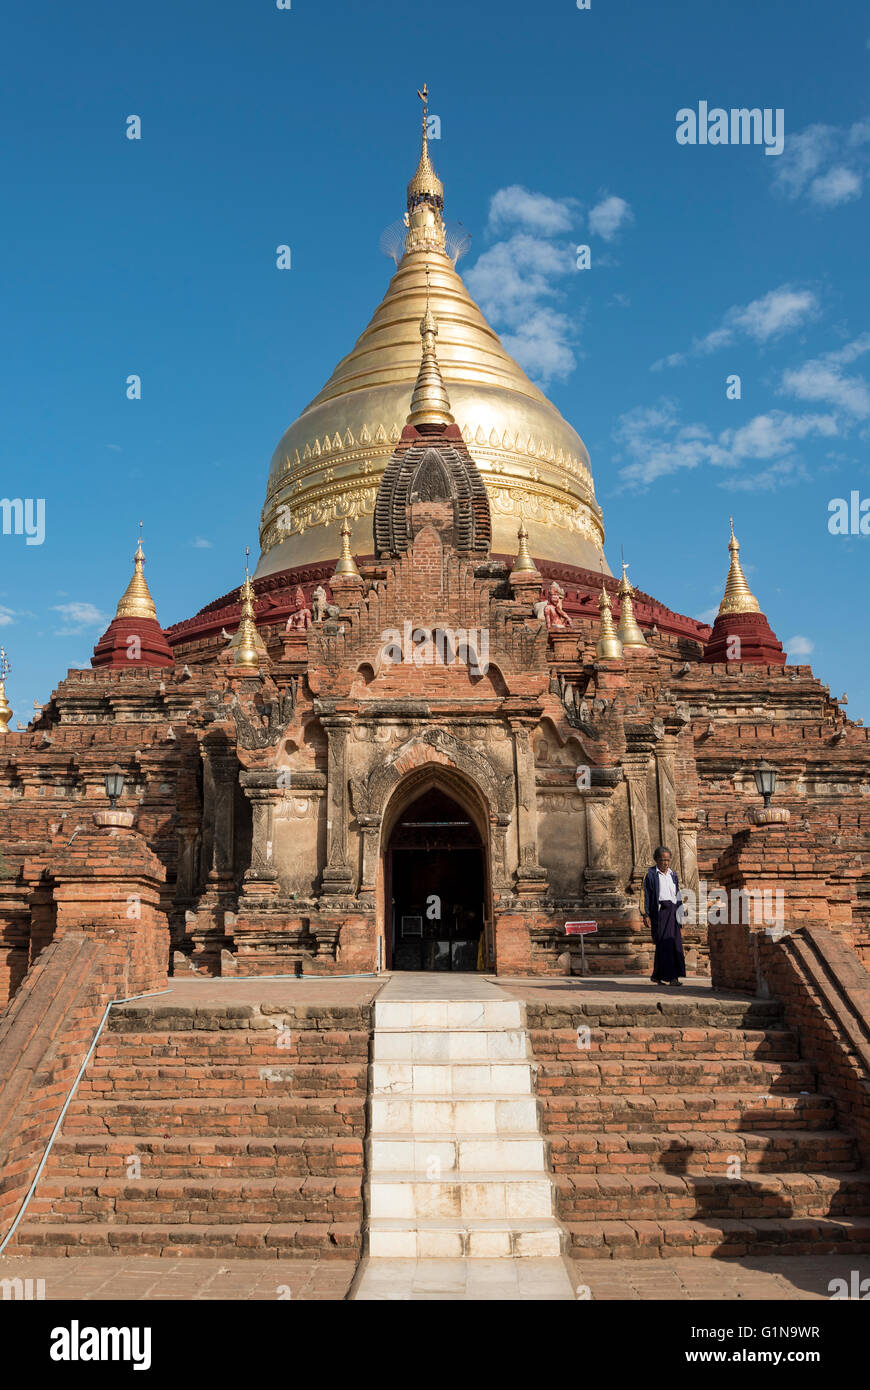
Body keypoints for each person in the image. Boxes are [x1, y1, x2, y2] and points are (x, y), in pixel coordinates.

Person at [642, 845, 686, 987]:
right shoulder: (650, 875)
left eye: (667, 860)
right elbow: (645, 895)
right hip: (661, 913)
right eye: (662, 860)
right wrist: (646, 914)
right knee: (663, 945)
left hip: (673, 913)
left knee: (675, 944)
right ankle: (664, 976)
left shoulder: (673, 875)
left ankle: (668, 976)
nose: (665, 863)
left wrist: (681, 914)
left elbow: (677, 895)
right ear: (656, 860)